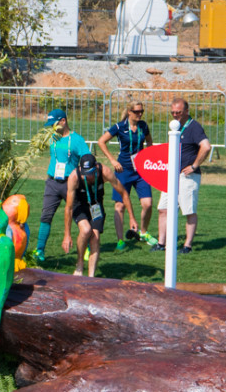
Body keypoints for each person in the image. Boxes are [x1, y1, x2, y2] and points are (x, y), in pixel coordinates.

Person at [62, 154, 136, 277]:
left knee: (95, 237)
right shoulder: (74, 177)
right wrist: (67, 235)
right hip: (79, 205)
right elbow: (68, 208)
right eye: (85, 172)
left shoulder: (105, 172)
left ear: (96, 167)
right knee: (86, 230)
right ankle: (79, 264)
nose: (88, 176)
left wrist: (132, 218)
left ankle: (91, 276)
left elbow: (124, 193)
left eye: (90, 172)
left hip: (96, 205)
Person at [155, 97, 211, 254]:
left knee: (188, 210)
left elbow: (206, 147)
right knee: (163, 208)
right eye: (172, 112)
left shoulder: (194, 127)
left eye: (178, 112)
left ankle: (187, 245)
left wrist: (194, 166)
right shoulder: (176, 126)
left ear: (187, 111)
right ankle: (161, 243)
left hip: (187, 176)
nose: (175, 115)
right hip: (171, 175)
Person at [97, 102, 154, 250]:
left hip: (141, 170)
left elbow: (149, 141)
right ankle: (120, 240)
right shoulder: (119, 127)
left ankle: (143, 232)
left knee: (147, 203)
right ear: (129, 112)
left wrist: (148, 157)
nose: (139, 114)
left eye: (141, 111)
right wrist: (112, 160)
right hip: (123, 170)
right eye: (136, 111)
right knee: (120, 205)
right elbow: (101, 141)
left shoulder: (143, 126)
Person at [36, 108, 89, 260]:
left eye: (54, 123)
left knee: (79, 214)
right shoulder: (52, 137)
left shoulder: (77, 140)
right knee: (46, 215)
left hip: (70, 184)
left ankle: (88, 247)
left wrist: (78, 174)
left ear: (63, 121)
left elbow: (87, 160)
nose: (52, 127)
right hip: (52, 182)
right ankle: (40, 250)